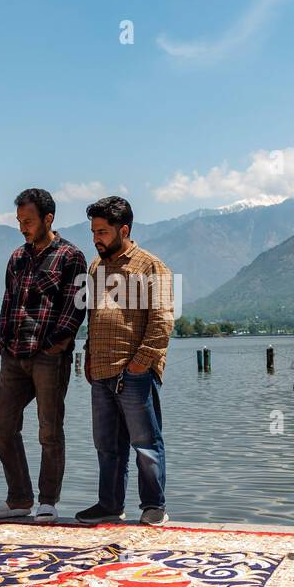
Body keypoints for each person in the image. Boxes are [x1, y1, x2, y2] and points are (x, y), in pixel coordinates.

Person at [0, 188, 88, 523]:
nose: (23, 227)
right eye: (19, 222)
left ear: (48, 219)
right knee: (2, 424)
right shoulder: (17, 258)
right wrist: (2, 339)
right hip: (14, 355)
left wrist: (56, 344)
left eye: (28, 221)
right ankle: (19, 499)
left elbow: (76, 307)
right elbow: (7, 302)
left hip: (49, 358)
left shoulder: (72, 257)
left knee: (49, 429)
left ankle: (48, 501)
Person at [78, 196, 174, 526]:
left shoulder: (150, 266)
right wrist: (88, 357)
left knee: (145, 443)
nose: (96, 238)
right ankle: (109, 505)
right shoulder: (95, 267)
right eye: (93, 232)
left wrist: (140, 364)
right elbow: (93, 317)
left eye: (102, 231)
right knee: (107, 446)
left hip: (135, 372)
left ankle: (153, 507)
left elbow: (162, 321)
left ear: (124, 229)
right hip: (100, 371)